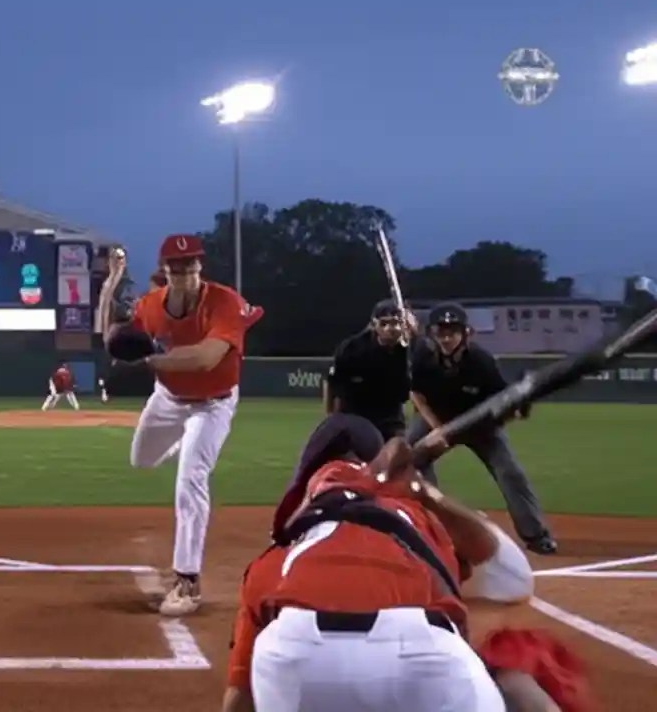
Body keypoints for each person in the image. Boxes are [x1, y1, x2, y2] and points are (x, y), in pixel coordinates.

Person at [222, 425, 584, 712]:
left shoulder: (278, 557)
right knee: (512, 667)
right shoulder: (415, 516)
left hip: (291, 653)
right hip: (421, 654)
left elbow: (239, 700)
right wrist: (428, 494)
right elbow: (514, 579)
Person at [97, 233, 261, 616]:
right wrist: (110, 285)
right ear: (165, 271)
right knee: (141, 459)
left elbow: (206, 358)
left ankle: (187, 581)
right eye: (177, 266)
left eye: (192, 265)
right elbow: (111, 337)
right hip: (168, 400)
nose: (186, 272)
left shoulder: (224, 302)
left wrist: (150, 359)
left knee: (191, 480)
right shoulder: (150, 306)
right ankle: (183, 444)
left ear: (200, 267)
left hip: (213, 404)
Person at [406, 302, 557, 554]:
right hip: (437, 418)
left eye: (452, 332)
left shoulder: (480, 361)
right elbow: (416, 394)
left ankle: (536, 534)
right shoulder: (424, 358)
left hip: (478, 423)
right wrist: (437, 429)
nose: (446, 337)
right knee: (410, 460)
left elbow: (503, 403)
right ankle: (429, 529)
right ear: (433, 333)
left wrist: (516, 412)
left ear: (466, 333)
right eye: (441, 332)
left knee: (510, 471)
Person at [323, 299, 414, 441]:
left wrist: (403, 353)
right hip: (354, 415)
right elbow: (332, 384)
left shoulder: (408, 351)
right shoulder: (352, 349)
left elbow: (404, 395)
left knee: (402, 453)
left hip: (389, 418)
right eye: (384, 324)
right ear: (373, 325)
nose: (390, 329)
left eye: (396, 323)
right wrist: (330, 418)